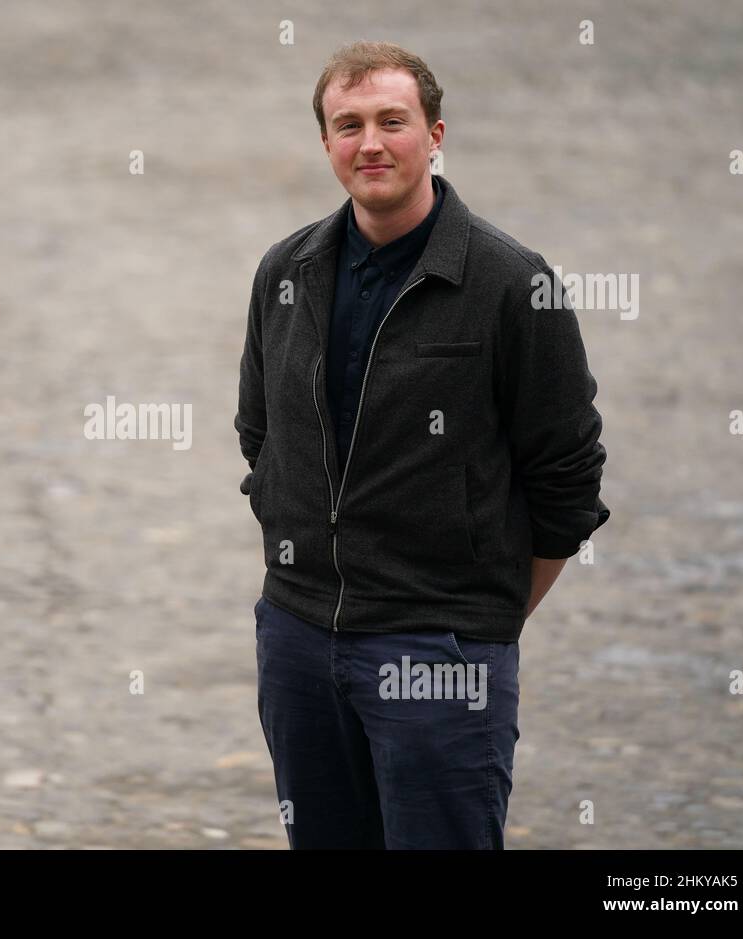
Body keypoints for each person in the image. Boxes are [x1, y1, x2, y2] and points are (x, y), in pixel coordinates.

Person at [234, 41, 610, 849]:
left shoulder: (513, 283)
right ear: (327, 144)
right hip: (299, 640)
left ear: (434, 135)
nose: (370, 142)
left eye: (392, 121)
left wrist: (483, 620)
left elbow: (568, 478)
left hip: (439, 651)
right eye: (349, 125)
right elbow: (259, 434)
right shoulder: (285, 271)